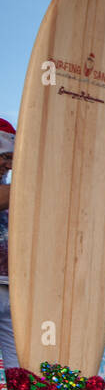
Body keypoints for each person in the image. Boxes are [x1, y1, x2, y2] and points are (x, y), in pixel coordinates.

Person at [0, 118, 16, 370]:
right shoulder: (16, 190)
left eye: (14, 158)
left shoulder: (12, 190)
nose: (9, 165)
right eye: (4, 156)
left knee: (19, 370)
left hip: (12, 288)